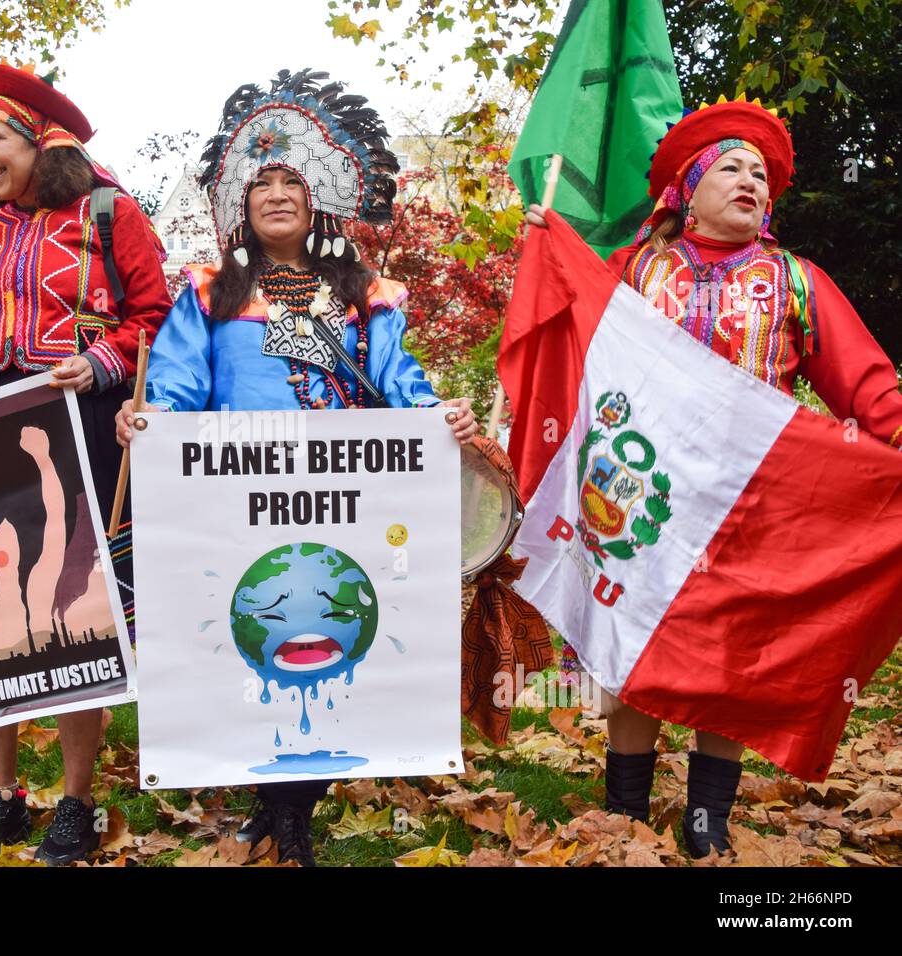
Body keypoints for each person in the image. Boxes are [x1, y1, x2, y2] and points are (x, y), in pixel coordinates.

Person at [115, 68, 479, 866]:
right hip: (235, 491)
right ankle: (276, 803)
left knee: (330, 628)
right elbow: (178, 385)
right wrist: (151, 418)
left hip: (344, 491)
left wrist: (438, 414)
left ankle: (292, 810)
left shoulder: (363, 293)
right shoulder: (207, 295)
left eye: (292, 180)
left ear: (318, 200)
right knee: (255, 625)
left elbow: (395, 377)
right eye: (261, 182)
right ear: (239, 206)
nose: (276, 193)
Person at [526, 94, 902, 858]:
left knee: (727, 657)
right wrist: (548, 247)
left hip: (748, 504)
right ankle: (623, 806)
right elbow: (569, 329)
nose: (751, 182)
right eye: (730, 167)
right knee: (632, 647)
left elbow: (866, 387)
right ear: (684, 190)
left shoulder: (795, 280)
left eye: (760, 175)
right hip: (639, 494)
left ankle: (707, 821)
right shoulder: (632, 269)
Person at [0, 63, 171, 864]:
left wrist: (100, 363)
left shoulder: (108, 213)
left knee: (69, 607)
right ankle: (3, 795)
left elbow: (154, 316)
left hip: (72, 419)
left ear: (37, 140)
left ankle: (77, 802)